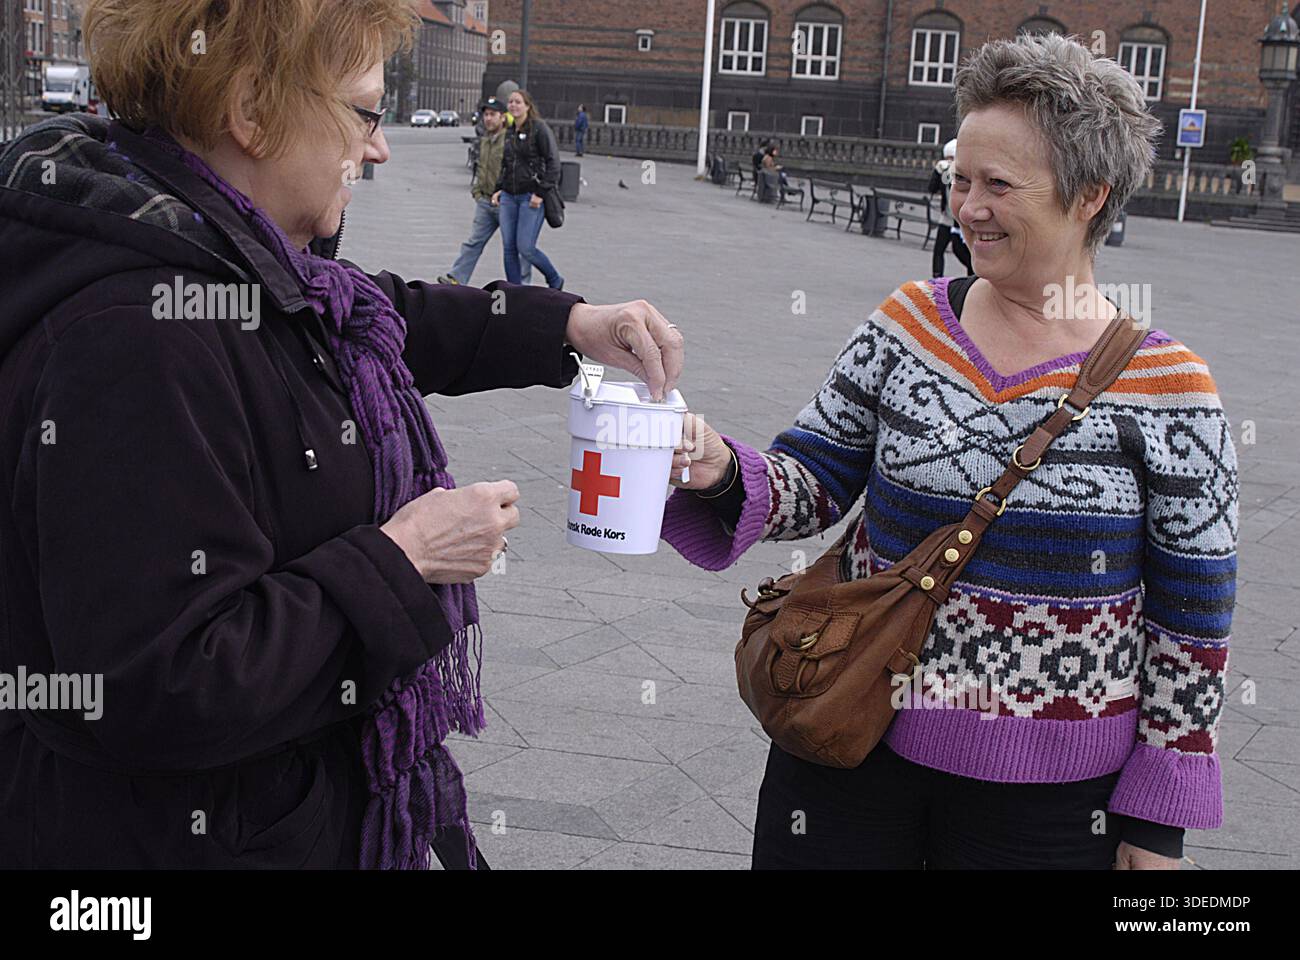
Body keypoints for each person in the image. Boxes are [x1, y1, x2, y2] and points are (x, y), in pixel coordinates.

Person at [0, 0, 684, 869]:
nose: (379, 146)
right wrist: (405, 559)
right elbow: (162, 682)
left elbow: (372, 316)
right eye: (363, 112)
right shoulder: (139, 337)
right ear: (250, 110)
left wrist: (572, 324)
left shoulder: (215, 249)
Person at [664, 33, 1236, 870]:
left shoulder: (1172, 387)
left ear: (1090, 196)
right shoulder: (909, 324)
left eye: (998, 185)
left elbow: (1193, 616)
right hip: (848, 741)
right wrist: (717, 464)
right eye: (959, 180)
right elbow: (814, 480)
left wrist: (1157, 823)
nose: (966, 207)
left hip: (1049, 806)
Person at [437, 96, 531, 286]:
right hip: (485, 201)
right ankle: (456, 277)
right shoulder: (485, 140)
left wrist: (505, 193)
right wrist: (478, 193)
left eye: (492, 115)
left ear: (502, 117)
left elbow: (516, 171)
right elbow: (480, 168)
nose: (488, 119)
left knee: (514, 247)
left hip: (507, 202)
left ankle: (522, 286)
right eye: (486, 115)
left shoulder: (510, 140)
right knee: (474, 241)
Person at [492, 88, 564, 289]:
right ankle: (515, 290)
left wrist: (541, 193)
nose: (513, 105)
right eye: (511, 102)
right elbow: (506, 163)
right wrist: (498, 188)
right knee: (508, 248)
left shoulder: (539, 129)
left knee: (526, 247)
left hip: (530, 196)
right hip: (508, 196)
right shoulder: (509, 131)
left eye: (518, 102)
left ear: (527, 106)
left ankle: (555, 279)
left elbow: (553, 163)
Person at [929, 138, 974, 278]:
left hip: (960, 220)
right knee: (939, 249)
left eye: (951, 158)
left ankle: (973, 278)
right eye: (947, 158)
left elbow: (954, 184)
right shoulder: (945, 170)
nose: (948, 161)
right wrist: (937, 172)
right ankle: (937, 278)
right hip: (947, 218)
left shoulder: (962, 171)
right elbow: (932, 188)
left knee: (962, 251)